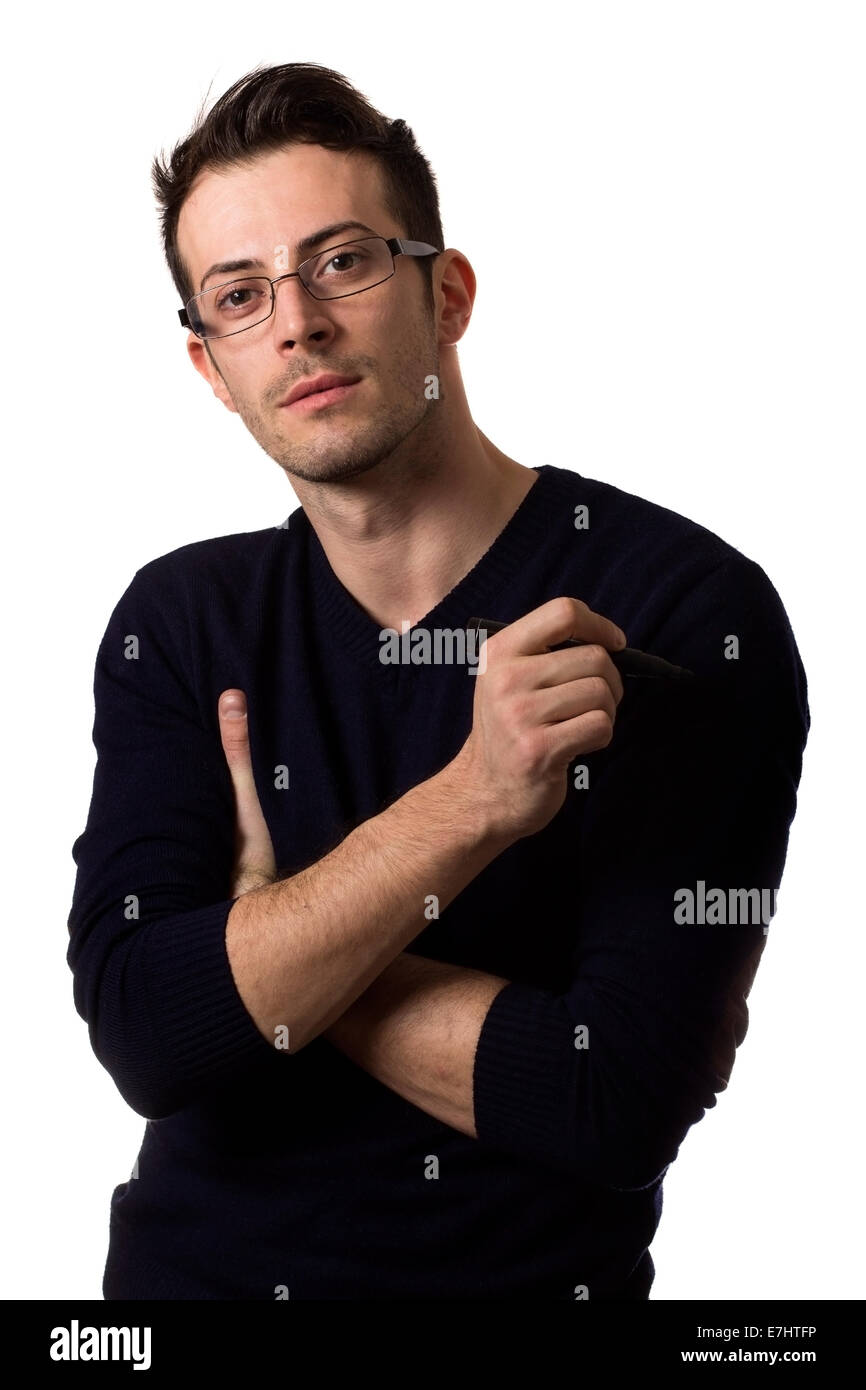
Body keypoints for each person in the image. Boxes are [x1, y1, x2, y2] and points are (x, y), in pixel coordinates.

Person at [67, 61, 810, 1301]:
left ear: (446, 292)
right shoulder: (181, 623)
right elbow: (147, 1032)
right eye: (238, 296)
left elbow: (606, 1097)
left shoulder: (682, 610)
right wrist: (469, 802)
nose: (296, 322)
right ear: (210, 366)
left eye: (342, 261)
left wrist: (270, 936)